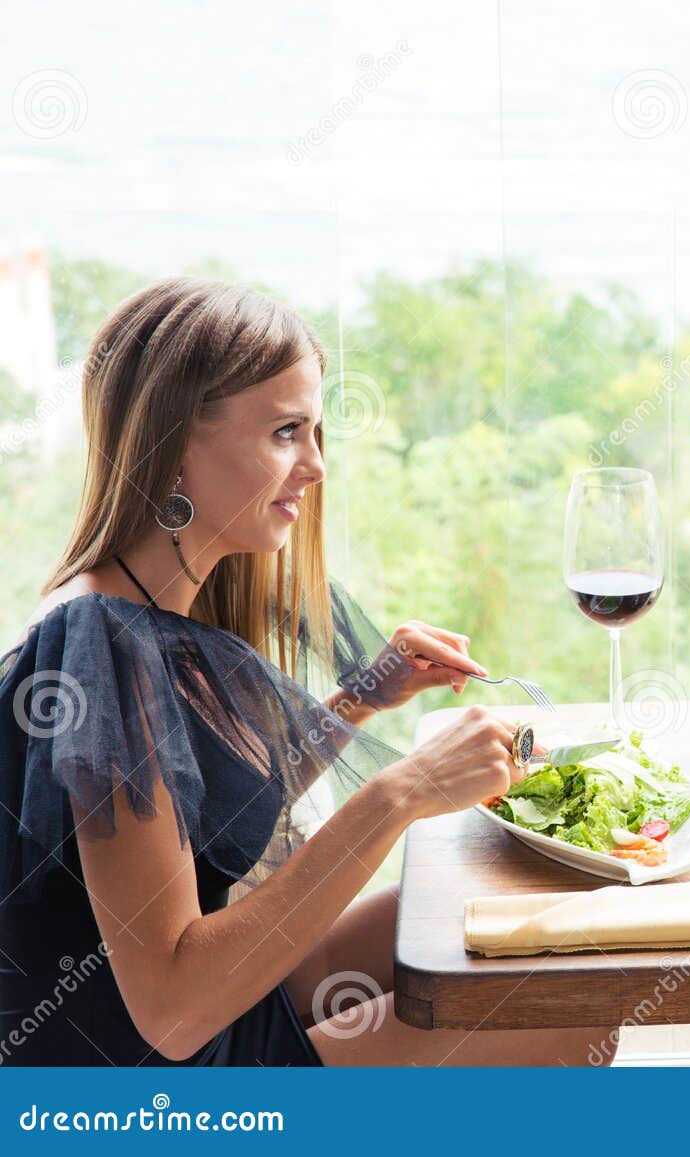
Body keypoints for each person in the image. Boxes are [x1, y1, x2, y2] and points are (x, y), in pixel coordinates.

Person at [0, 278, 609, 1066]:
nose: (315, 466)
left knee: (491, 918)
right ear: (175, 439)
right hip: (149, 1086)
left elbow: (200, 817)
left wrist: (362, 698)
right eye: (286, 431)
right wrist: (405, 790)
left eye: (316, 432)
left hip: (211, 1018)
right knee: (570, 1011)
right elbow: (173, 1010)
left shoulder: (136, 612)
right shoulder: (107, 647)